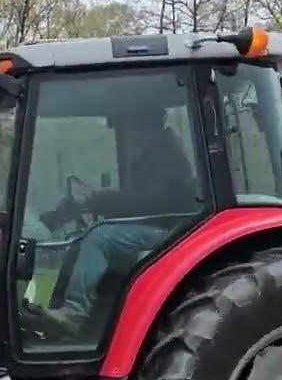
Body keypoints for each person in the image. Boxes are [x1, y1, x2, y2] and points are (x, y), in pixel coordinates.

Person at [39, 105, 198, 334]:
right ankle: (57, 314)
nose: (131, 135)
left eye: (131, 127)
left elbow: (148, 200)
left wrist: (101, 199)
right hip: (155, 222)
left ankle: (75, 312)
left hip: (168, 229)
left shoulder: (166, 156)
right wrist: (98, 201)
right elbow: (141, 199)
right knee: (80, 242)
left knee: (99, 238)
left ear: (144, 127)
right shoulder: (155, 153)